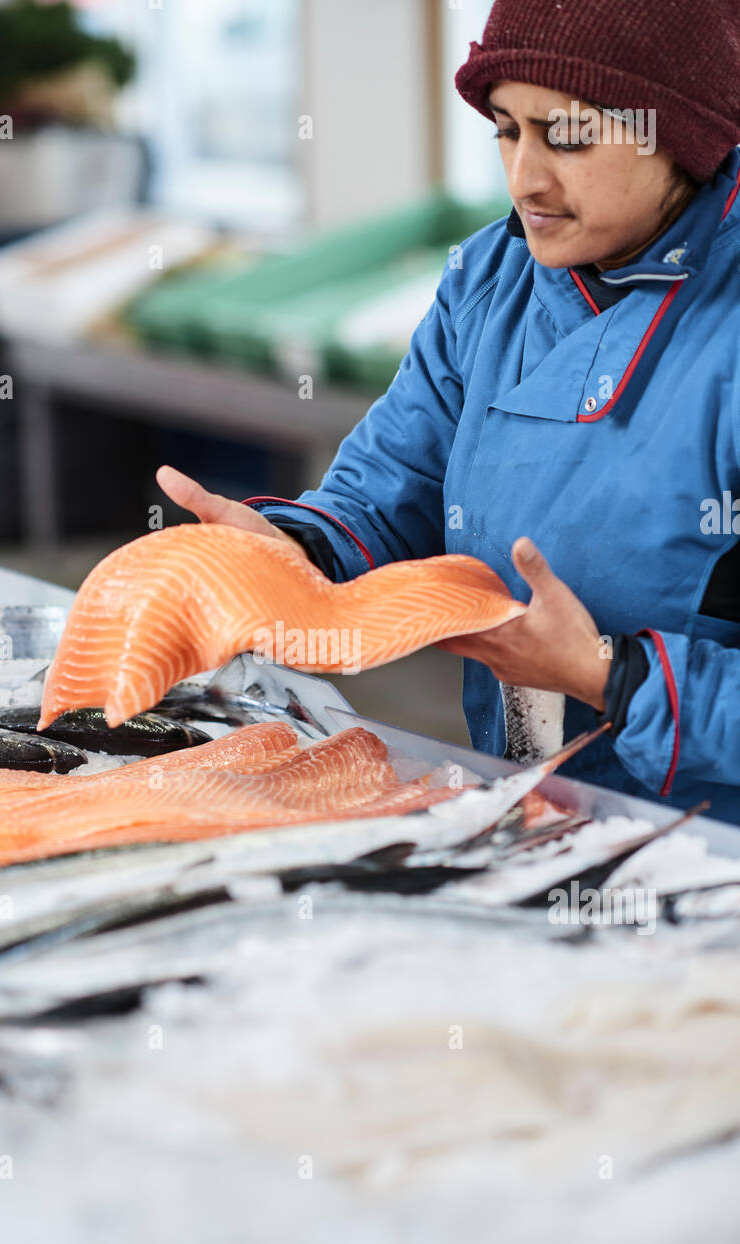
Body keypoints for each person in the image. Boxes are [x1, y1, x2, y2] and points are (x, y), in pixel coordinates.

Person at [159, 0, 740, 825]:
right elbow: (391, 485)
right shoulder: (489, 280)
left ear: (680, 136)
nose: (524, 179)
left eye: (566, 136)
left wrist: (608, 673)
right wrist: (291, 552)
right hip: (530, 817)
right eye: (506, 130)